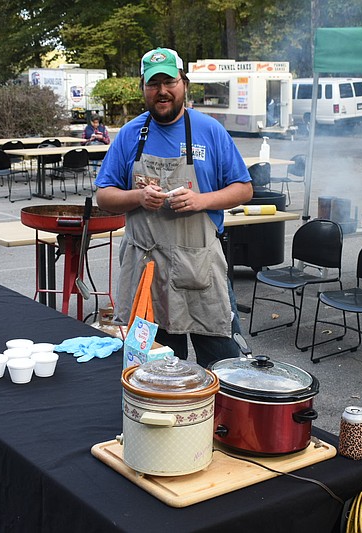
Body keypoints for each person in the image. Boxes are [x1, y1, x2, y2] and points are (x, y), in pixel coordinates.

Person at [95, 47, 253, 368]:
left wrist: (202, 201)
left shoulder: (210, 131)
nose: (162, 91)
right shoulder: (129, 135)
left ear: (184, 84)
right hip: (146, 276)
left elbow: (244, 188)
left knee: (223, 367)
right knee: (155, 370)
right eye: (153, 84)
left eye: (169, 82)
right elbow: (104, 196)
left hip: (200, 269)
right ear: (143, 88)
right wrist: (137, 198)